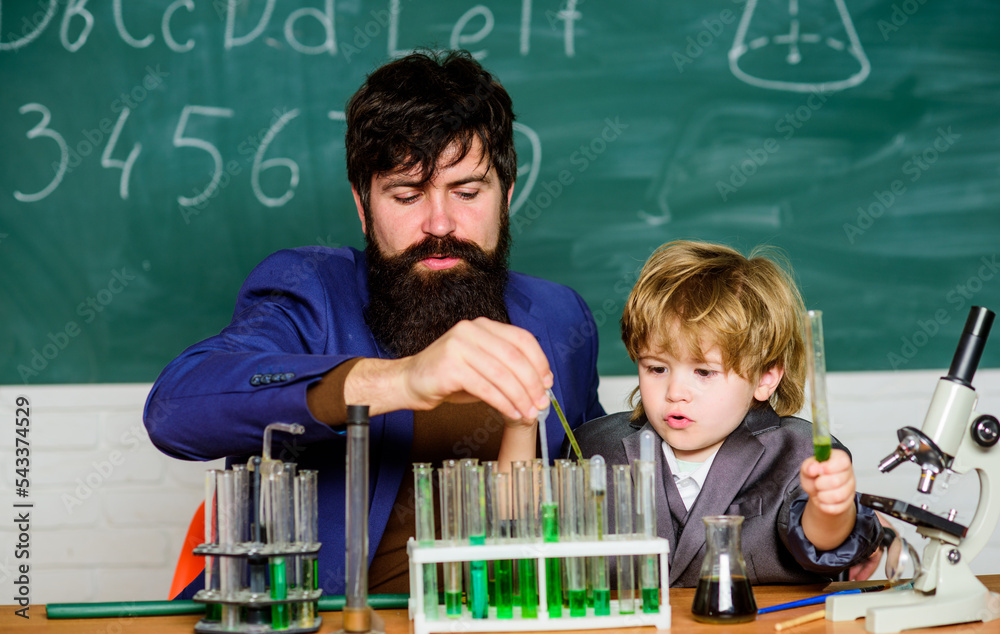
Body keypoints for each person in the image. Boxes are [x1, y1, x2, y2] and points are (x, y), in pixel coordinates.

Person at [144, 50, 604, 596]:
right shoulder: (309, 290)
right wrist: (400, 380)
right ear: (364, 207)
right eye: (407, 195)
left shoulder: (559, 316)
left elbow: (598, 474)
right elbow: (173, 409)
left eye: (467, 192)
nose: (440, 223)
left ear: (505, 198)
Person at [571, 240, 882, 586]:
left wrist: (831, 511)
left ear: (765, 377)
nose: (675, 392)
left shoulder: (799, 453)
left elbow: (822, 542)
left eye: (704, 372)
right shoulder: (593, 449)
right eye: (657, 368)